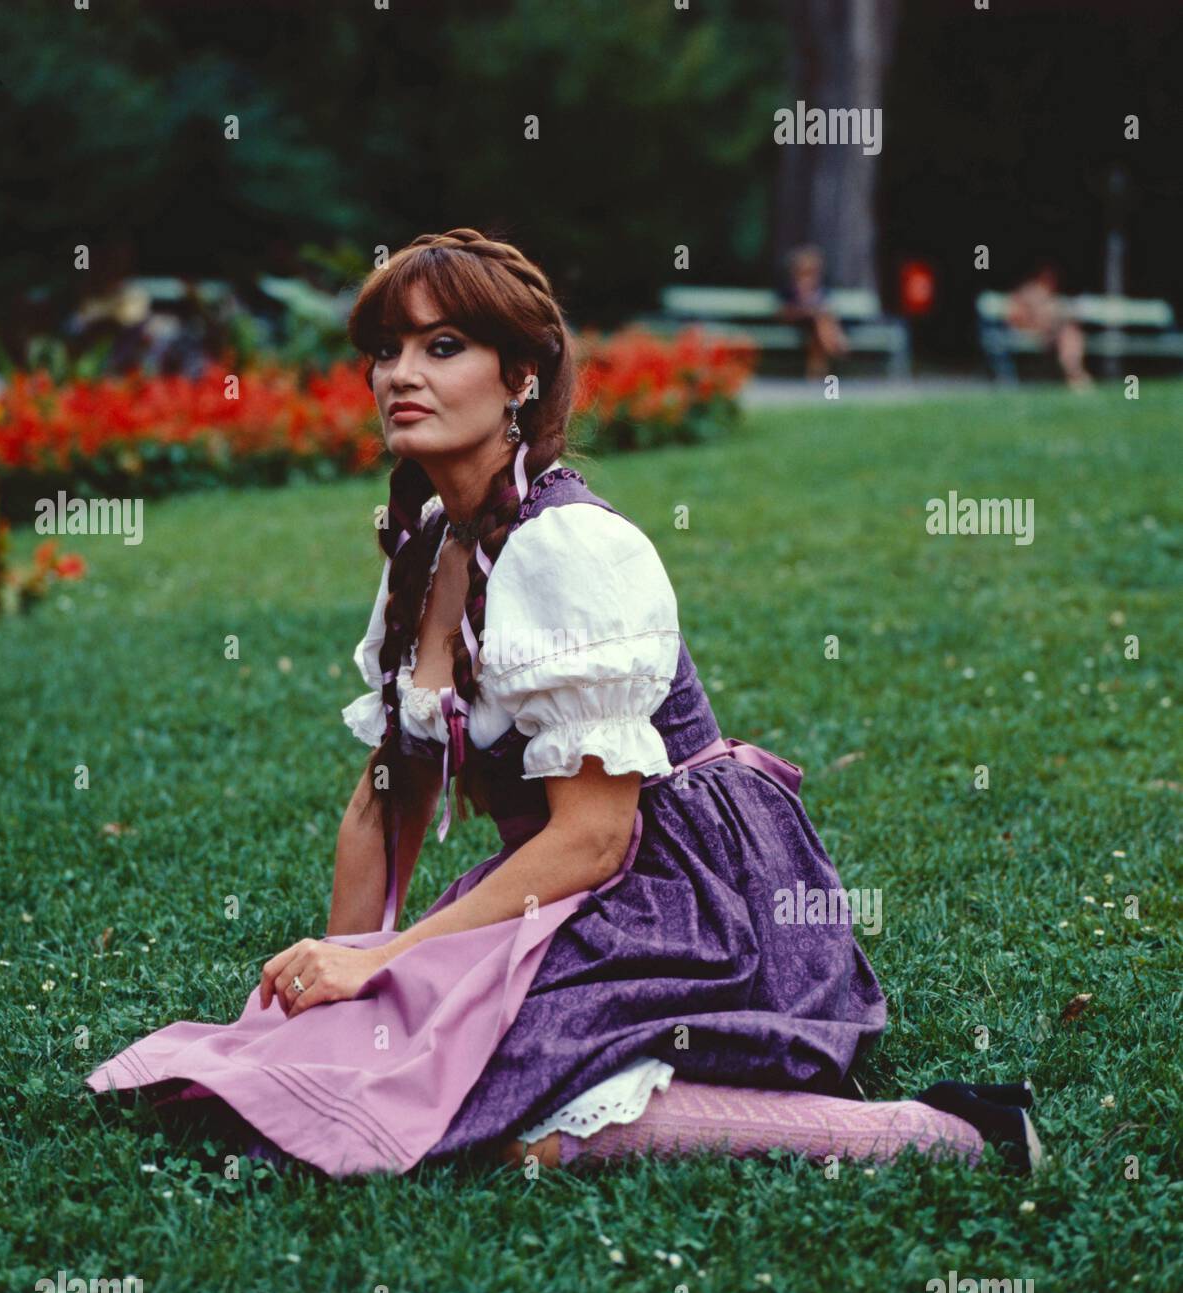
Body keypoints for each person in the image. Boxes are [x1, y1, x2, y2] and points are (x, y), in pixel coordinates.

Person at [85, 228, 1045, 1178]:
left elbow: (595, 838)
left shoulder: (569, 546)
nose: (399, 376)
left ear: (522, 379)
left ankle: (946, 1132)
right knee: (338, 1064)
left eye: (443, 346)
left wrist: (394, 960)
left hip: (688, 899)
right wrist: (350, 969)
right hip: (564, 883)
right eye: (387, 351)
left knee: (497, 1120)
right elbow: (388, 796)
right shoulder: (428, 548)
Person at [1005, 263, 1094, 390]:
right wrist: (1035, 324)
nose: (1052, 280)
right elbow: (1013, 318)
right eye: (1048, 276)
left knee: (1070, 333)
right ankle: (1076, 375)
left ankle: (1075, 374)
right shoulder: (1027, 292)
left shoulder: (1051, 294)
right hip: (1033, 333)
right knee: (1069, 334)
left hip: (1052, 334)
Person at [779, 244, 849, 380]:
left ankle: (816, 377)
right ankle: (837, 344)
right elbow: (784, 312)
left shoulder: (822, 290)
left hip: (814, 329)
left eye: (812, 272)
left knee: (818, 332)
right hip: (796, 323)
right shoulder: (788, 290)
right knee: (820, 319)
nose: (809, 276)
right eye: (804, 271)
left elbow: (830, 308)